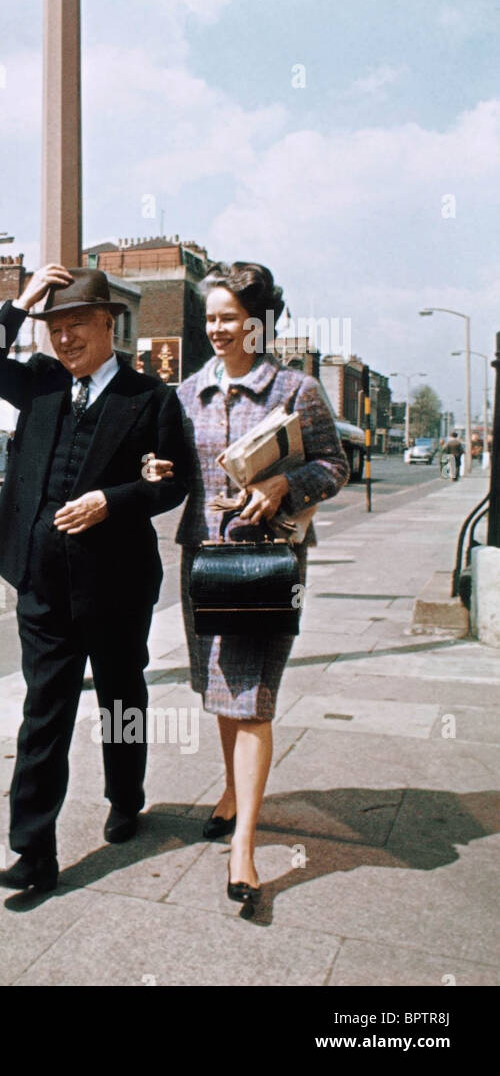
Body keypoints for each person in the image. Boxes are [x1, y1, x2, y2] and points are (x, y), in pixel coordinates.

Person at [0, 265, 189, 894]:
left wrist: (110, 502)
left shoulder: (150, 399)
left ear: (108, 325)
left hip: (116, 583)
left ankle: (126, 796)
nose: (65, 339)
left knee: (121, 695)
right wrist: (23, 300)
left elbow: (173, 483)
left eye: (77, 325)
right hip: (41, 582)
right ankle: (33, 851)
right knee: (44, 712)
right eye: (55, 327)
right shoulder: (38, 383)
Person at [144, 261, 348, 913]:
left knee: (253, 696)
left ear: (258, 322)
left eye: (229, 317)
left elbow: (336, 464)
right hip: (204, 563)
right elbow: (172, 471)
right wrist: (153, 467)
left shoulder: (297, 389)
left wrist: (285, 483)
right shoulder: (186, 392)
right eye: (211, 317)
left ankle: (244, 847)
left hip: (268, 563)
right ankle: (231, 793)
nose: (217, 328)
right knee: (221, 691)